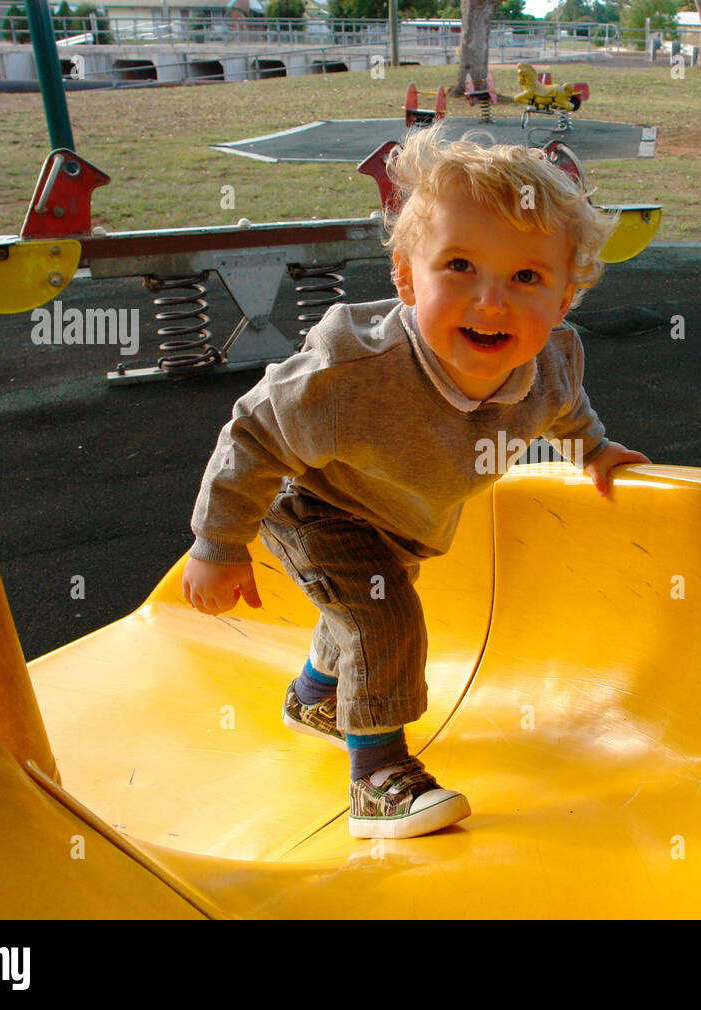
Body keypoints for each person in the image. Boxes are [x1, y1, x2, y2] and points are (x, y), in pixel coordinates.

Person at [182, 124, 650, 839]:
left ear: (562, 302)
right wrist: (218, 543)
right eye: (459, 266)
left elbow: (564, 406)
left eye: (526, 277)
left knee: (362, 611)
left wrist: (594, 451)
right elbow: (253, 430)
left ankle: (313, 698)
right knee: (384, 618)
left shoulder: (553, 357)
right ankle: (377, 777)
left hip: (400, 514)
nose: (491, 301)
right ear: (406, 277)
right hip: (308, 498)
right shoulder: (352, 374)